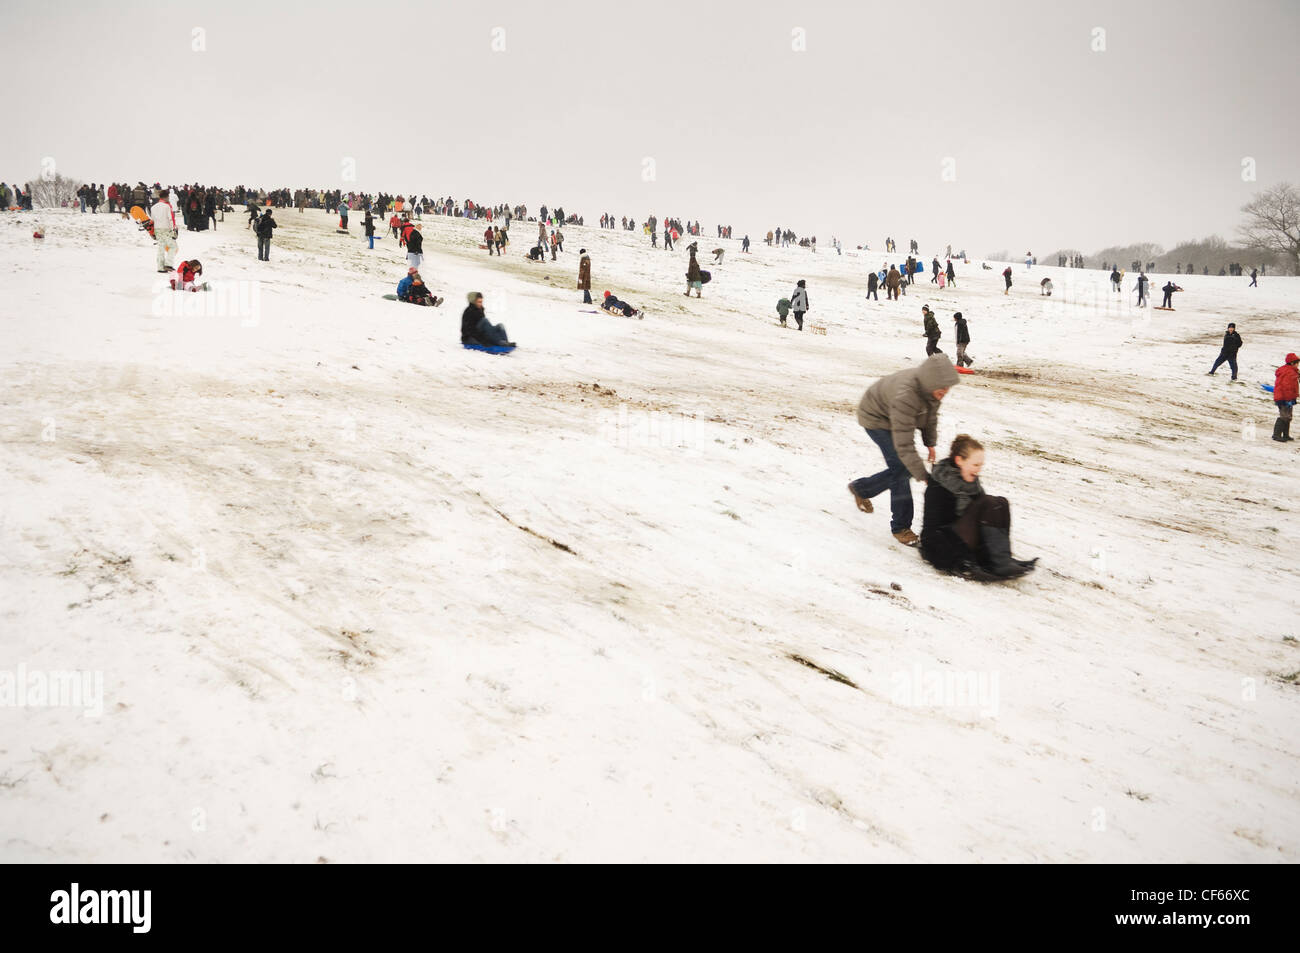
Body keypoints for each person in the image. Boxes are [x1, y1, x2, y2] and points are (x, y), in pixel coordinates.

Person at [847, 353, 961, 547]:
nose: (946, 390)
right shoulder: (906, 396)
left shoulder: (931, 388)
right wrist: (922, 474)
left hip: (891, 415)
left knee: (902, 468)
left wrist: (930, 442)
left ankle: (862, 488)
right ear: (932, 380)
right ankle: (901, 528)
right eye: (943, 386)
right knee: (902, 469)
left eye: (948, 386)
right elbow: (904, 446)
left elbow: (930, 416)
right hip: (875, 418)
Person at [920, 434, 1036, 579]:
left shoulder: (972, 483)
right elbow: (931, 533)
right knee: (988, 502)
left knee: (999, 503)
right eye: (975, 465)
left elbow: (983, 519)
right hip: (945, 546)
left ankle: (1000, 560)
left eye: (981, 465)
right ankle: (998, 563)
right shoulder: (939, 486)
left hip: (963, 541)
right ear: (959, 460)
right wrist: (959, 562)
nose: (978, 470)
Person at [150, 188, 178, 273]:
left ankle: (160, 267)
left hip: (157, 229)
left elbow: (152, 220)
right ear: (166, 197)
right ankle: (168, 264)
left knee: (161, 248)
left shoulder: (153, 207)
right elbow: (170, 219)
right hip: (166, 229)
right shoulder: (167, 206)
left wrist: (152, 232)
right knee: (173, 247)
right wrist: (174, 230)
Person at [1273, 353, 1298, 442]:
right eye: (1297, 363)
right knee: (1284, 416)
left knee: (1288, 416)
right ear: (1292, 363)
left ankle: (1285, 434)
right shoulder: (1289, 372)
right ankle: (1276, 435)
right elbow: (1286, 386)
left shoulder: (1291, 371)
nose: (1298, 365)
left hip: (1287, 397)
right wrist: (1288, 399)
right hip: (1284, 397)